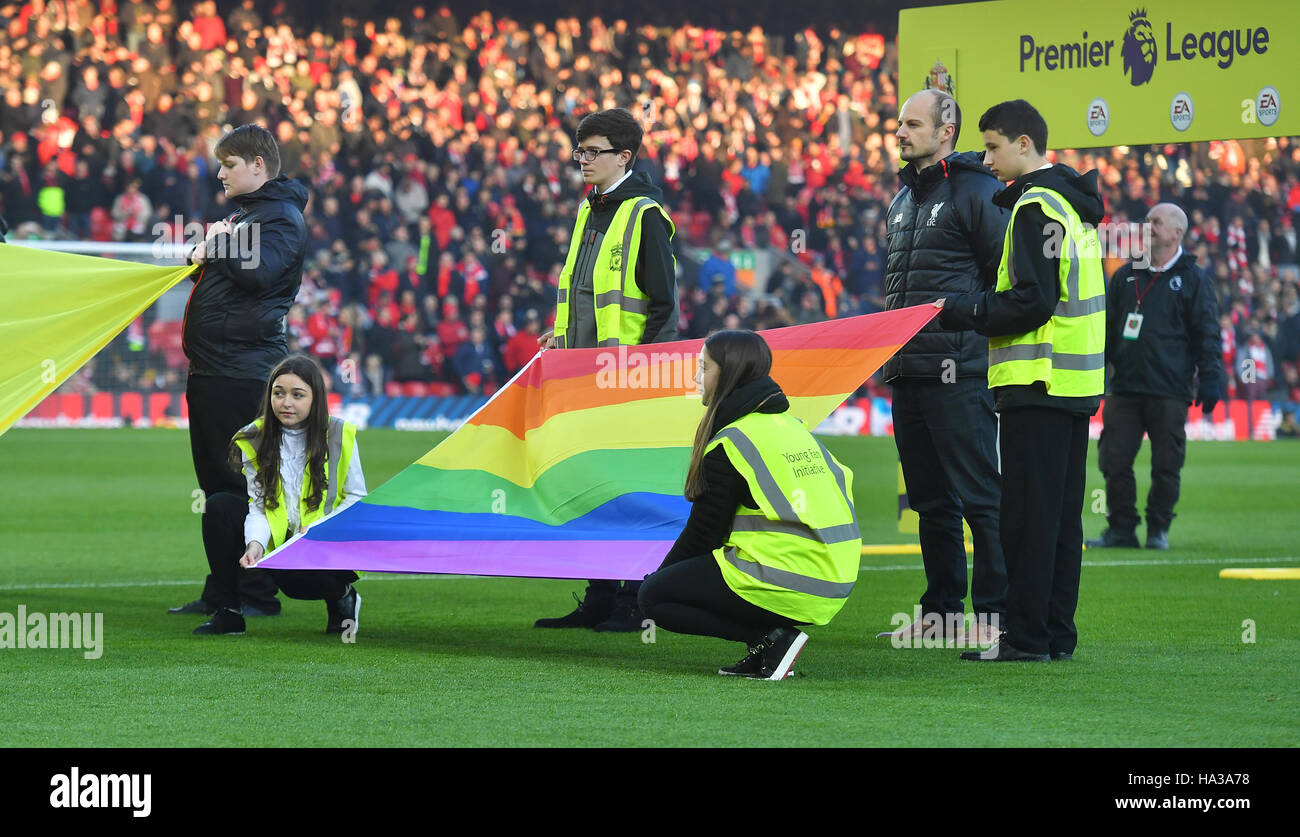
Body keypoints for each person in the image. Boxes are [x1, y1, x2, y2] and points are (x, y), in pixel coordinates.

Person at [937, 99, 1106, 662]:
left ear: (1024, 145)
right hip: (1073, 384)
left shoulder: (1035, 207)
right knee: (1058, 520)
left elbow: (1031, 301)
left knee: (1028, 518)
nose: (986, 159)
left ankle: (1026, 638)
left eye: (992, 146)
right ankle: (1055, 633)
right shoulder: (1070, 205)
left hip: (1039, 381)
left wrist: (964, 309)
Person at [638, 330, 861, 679]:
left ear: (726, 374)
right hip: (835, 576)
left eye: (703, 367)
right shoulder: (791, 426)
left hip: (792, 574)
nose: (696, 377)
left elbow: (703, 534)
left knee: (654, 598)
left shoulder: (733, 440)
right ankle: (770, 645)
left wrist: (659, 577)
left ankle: (769, 640)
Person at [534, 107, 679, 633]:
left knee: (629, 493)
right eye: (579, 151)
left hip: (628, 382)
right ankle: (599, 596)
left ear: (626, 156)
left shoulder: (645, 215)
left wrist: (648, 375)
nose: (582, 161)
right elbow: (583, 295)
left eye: (593, 152)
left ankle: (636, 602)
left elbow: (665, 307)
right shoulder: (588, 209)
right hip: (582, 379)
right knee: (593, 490)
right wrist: (562, 337)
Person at [876, 88, 1010, 646]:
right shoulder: (902, 201)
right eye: (898, 123)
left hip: (960, 371)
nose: (900, 132)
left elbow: (1004, 277)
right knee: (931, 504)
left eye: (912, 124)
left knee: (981, 500)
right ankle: (942, 615)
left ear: (945, 132)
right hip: (908, 374)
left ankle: (1000, 615)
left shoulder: (978, 191)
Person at [169, 124, 310, 619]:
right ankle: (222, 591)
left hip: (246, 372)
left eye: (229, 164)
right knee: (216, 486)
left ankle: (256, 593)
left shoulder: (282, 218)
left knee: (245, 486)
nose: (221, 172)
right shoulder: (249, 216)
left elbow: (260, 274)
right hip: (214, 370)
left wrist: (217, 245)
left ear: (258, 166)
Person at [192, 355, 365, 635]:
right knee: (219, 507)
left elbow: (357, 497)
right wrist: (255, 544)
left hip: (326, 539)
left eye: (298, 395)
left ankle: (342, 595)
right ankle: (229, 612)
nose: (286, 403)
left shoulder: (339, 433)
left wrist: (321, 529)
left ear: (315, 398)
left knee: (295, 584)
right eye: (278, 393)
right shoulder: (254, 437)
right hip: (283, 539)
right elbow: (259, 507)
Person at [1087, 203, 1221, 550]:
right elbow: (1105, 330)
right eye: (1146, 220)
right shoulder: (1125, 275)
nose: (1148, 225)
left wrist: (1210, 376)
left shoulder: (1193, 278)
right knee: (1113, 461)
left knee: (1166, 464)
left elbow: (1207, 332)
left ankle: (1158, 527)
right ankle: (1121, 529)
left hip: (1170, 390)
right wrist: (1092, 372)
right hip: (1125, 388)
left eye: (1156, 222)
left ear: (1177, 233)